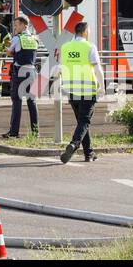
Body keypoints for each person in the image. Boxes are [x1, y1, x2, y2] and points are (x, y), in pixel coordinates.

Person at [57, 20, 103, 164]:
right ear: (84, 31)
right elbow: (97, 69)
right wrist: (102, 86)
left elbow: (59, 69)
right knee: (84, 121)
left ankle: (89, 153)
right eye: (88, 31)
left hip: (72, 90)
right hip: (88, 90)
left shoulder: (65, 47)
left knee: (82, 122)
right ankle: (74, 144)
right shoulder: (90, 46)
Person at [1, 15, 39, 140]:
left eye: (17, 25)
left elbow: (10, 51)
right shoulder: (34, 38)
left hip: (20, 72)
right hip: (32, 71)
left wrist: (7, 50)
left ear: (24, 25)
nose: (15, 28)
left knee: (17, 102)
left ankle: (14, 132)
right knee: (32, 102)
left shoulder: (17, 38)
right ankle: (35, 132)